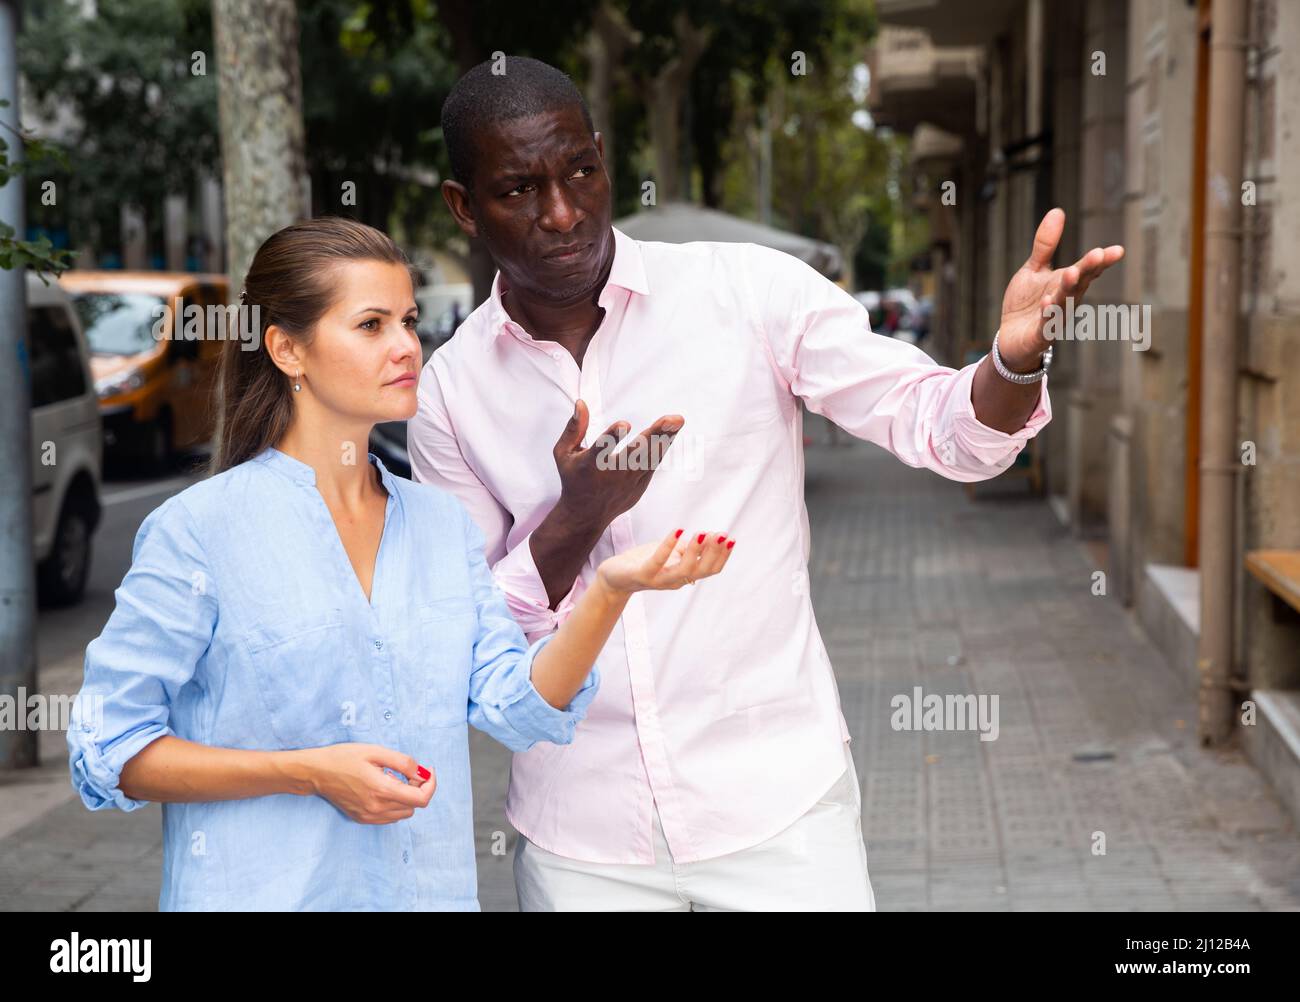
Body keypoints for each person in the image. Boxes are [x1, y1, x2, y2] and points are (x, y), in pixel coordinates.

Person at [409, 57, 1123, 911]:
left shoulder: (748, 294)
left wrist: (1015, 357)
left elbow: (944, 430)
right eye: (519, 190)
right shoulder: (448, 394)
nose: (562, 213)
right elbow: (470, 639)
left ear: (604, 157)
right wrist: (577, 520)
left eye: (581, 173)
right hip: (581, 837)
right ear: (462, 205)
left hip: (780, 810)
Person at [66, 216, 734, 911]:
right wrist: (307, 774)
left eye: (409, 321)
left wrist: (610, 592)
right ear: (287, 349)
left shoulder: (440, 525)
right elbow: (111, 747)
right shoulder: (198, 533)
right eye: (371, 325)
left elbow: (515, 707)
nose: (406, 347)